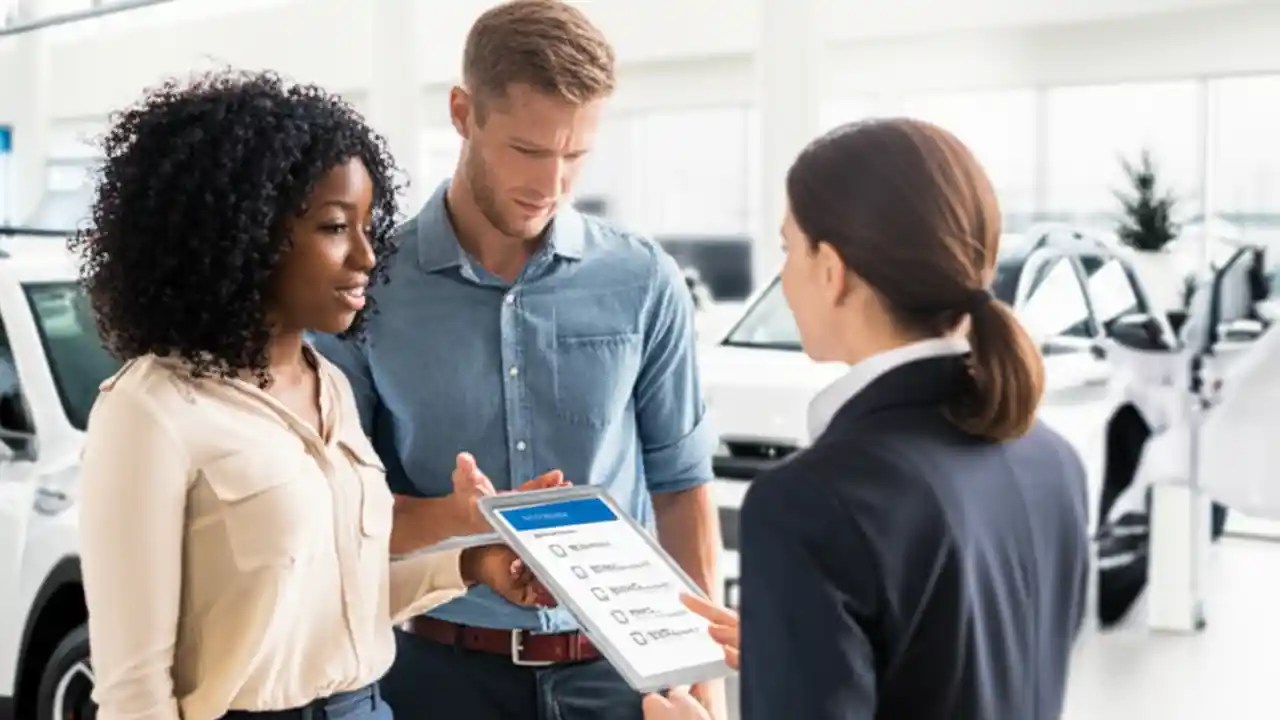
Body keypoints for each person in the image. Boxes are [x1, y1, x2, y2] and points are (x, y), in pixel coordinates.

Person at [74, 70, 559, 720]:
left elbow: (334, 601)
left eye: (367, 225)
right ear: (239, 234)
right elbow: (133, 692)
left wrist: (472, 566)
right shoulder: (151, 412)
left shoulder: (327, 383)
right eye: (335, 227)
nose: (367, 256)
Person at [312, 1, 724, 718]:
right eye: (528, 150)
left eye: (575, 155)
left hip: (622, 680)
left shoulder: (641, 279)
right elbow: (339, 508)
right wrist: (452, 519)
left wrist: (703, 677)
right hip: (432, 674)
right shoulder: (369, 284)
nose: (552, 184)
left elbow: (681, 484)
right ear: (463, 112)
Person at [643, 118, 1091, 720]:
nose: (784, 275)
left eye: (787, 248)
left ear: (832, 270)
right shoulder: (1051, 458)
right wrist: (802, 654)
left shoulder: (810, 503)